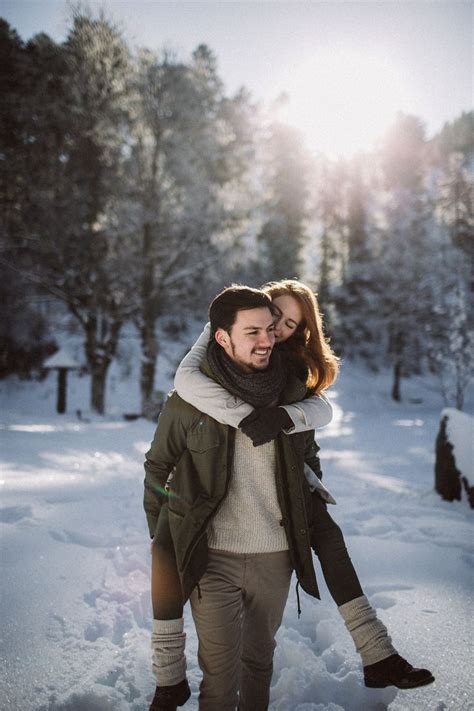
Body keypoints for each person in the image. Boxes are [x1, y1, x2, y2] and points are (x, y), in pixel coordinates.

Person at [144, 282, 434, 711]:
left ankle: (377, 652)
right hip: (214, 556)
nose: (272, 333)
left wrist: (303, 474)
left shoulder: (294, 393)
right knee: (220, 676)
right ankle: (169, 679)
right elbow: (157, 466)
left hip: (274, 555)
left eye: (284, 325)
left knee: (259, 663)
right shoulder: (192, 395)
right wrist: (168, 536)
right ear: (230, 331)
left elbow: (311, 449)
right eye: (264, 322)